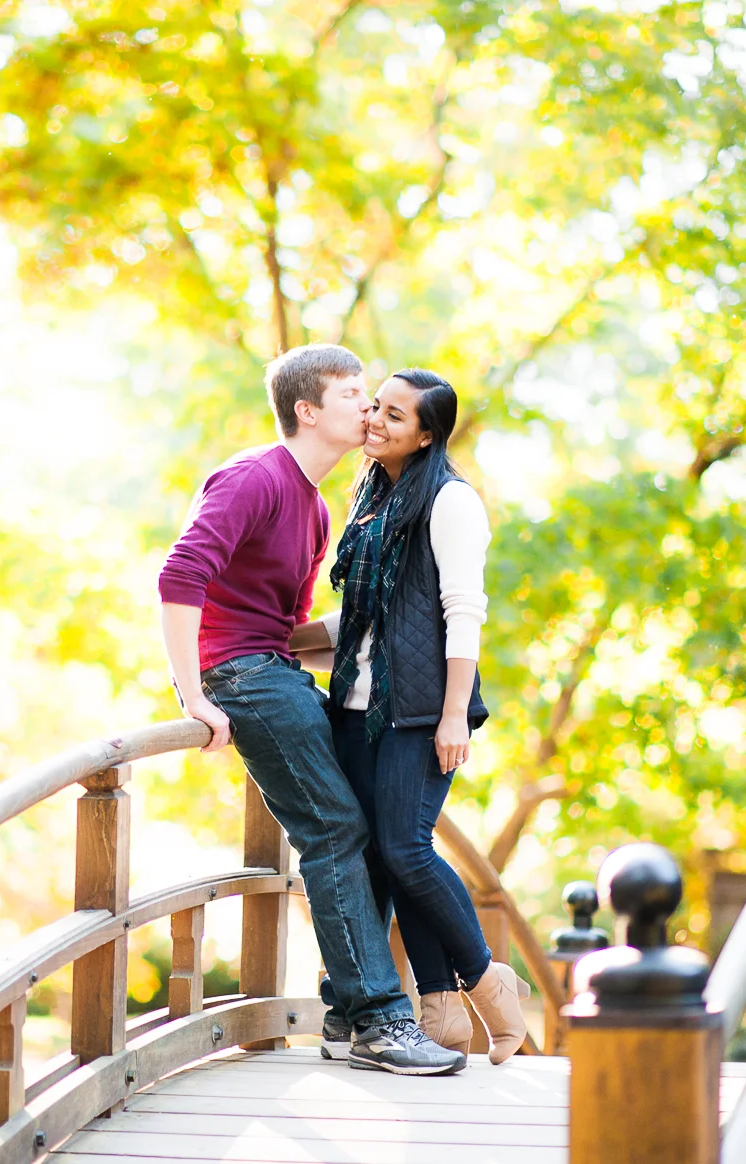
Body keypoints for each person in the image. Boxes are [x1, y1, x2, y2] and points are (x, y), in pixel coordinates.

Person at [157, 344, 468, 1076]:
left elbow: (291, 627)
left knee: (362, 822)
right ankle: (381, 1023)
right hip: (242, 676)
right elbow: (179, 574)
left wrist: (399, 636)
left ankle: (342, 1010)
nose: (369, 406)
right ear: (308, 410)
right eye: (353, 393)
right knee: (335, 827)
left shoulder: (318, 504)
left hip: (279, 668)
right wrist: (193, 692)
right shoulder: (253, 478)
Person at [294, 368, 529, 1064]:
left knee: (405, 849)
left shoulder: (451, 502)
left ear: (426, 435)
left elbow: (463, 612)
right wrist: (280, 639)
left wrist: (454, 714)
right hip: (355, 710)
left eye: (395, 417)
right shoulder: (373, 497)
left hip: (421, 714)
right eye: (376, 407)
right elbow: (362, 621)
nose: (376, 421)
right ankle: (438, 1008)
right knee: (382, 858)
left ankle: (490, 983)